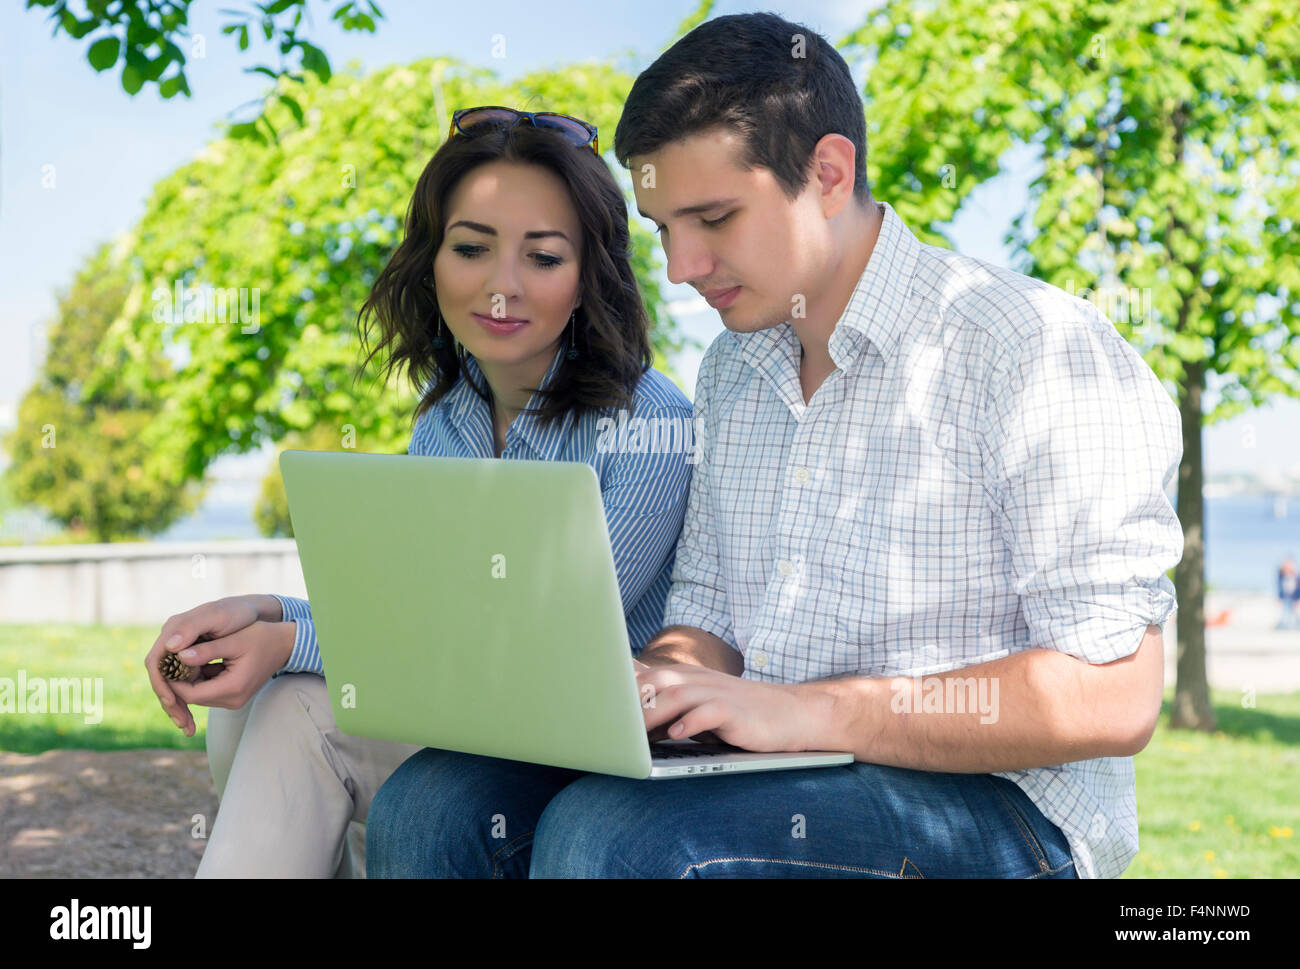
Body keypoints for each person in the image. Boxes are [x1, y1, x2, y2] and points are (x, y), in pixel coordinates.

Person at [364, 12, 1183, 880]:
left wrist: (806, 712)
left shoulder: (1029, 346)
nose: (680, 266)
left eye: (713, 217)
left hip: (1003, 805)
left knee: (616, 837)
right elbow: (707, 620)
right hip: (779, 762)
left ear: (828, 173)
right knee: (434, 806)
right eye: (663, 227)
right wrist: (641, 689)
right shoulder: (733, 367)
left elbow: (1112, 692)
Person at [143, 107, 695, 877]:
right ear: (431, 259)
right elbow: (420, 613)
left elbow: (526, 633)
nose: (501, 287)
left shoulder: (648, 421)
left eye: (542, 257)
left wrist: (289, 638)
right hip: (472, 724)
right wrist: (262, 615)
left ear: (587, 275)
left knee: (294, 697)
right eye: (471, 248)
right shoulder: (446, 415)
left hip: (586, 759)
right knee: (251, 711)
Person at [1279, 557, 1298, 629]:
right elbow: (1281, 589)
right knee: (1285, 611)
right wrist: (1279, 597)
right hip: (1285, 597)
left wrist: (1297, 598)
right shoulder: (1282, 577)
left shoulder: (1295, 577)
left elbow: (1297, 589)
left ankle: (1294, 624)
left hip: (1293, 597)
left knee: (1293, 611)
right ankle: (1284, 624)